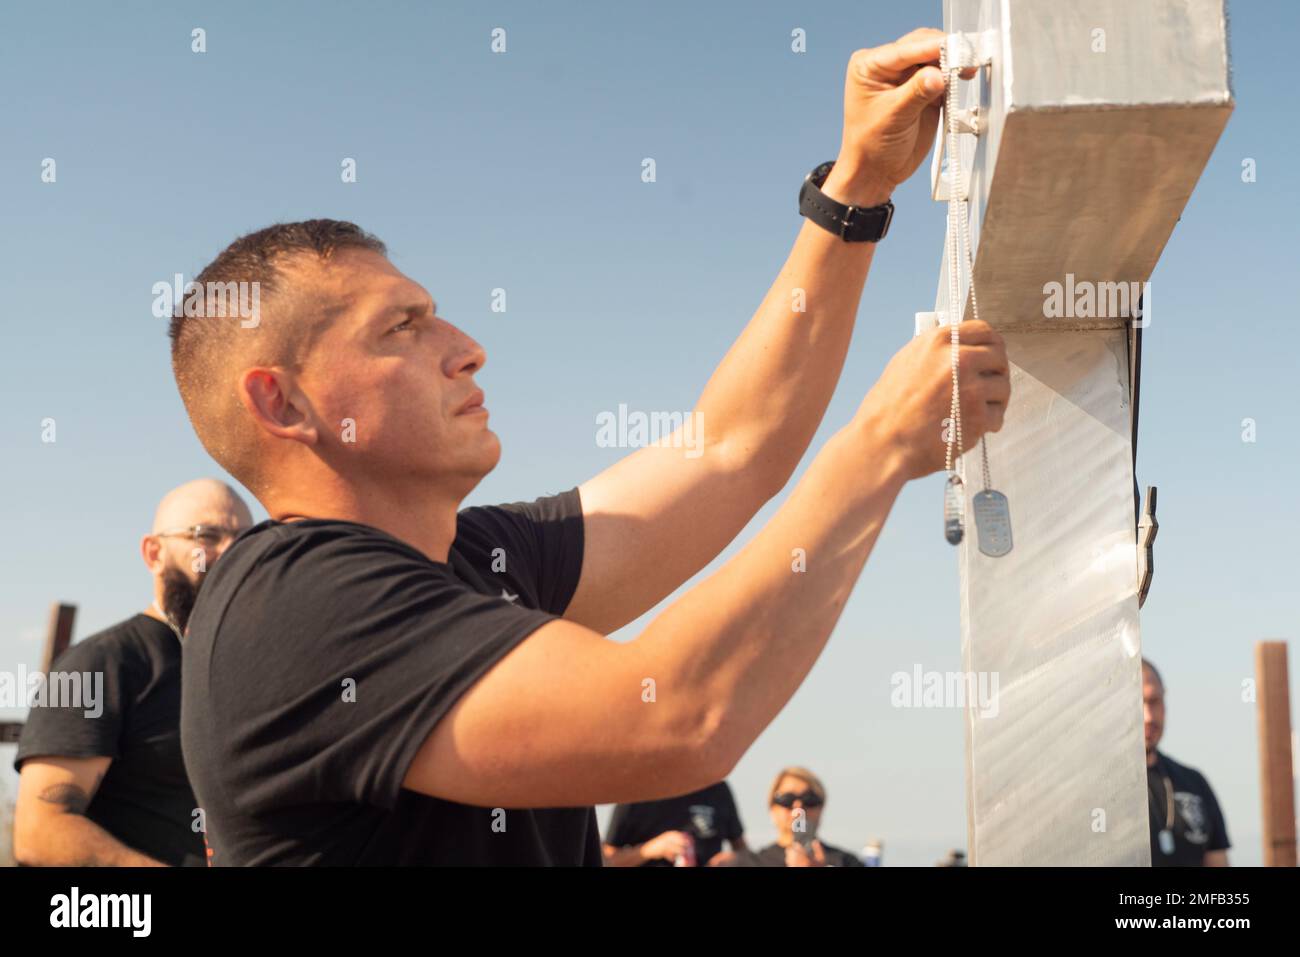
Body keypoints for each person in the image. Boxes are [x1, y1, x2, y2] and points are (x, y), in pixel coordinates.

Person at [170, 26, 1010, 865]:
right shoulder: (288, 604)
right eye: (403, 326)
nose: (465, 346)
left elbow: (732, 447)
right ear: (282, 402)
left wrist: (857, 186)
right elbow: (677, 715)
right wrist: (878, 449)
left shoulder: (475, 559)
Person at [12, 479, 252, 866]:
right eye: (205, 536)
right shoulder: (99, 663)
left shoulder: (246, 666)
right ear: (153, 553)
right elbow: (41, 834)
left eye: (244, 540)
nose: (228, 552)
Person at [1142, 659, 1230, 866]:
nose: (1148, 717)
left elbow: (1218, 861)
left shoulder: (1194, 783)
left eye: (1154, 701)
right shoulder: (1100, 790)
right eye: (1137, 702)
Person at [603, 781, 747, 866]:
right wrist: (649, 850)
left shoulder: (717, 789)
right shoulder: (637, 790)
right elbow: (607, 860)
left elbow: (742, 850)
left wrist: (735, 860)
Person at [752, 767, 862, 867]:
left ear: (821, 808)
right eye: (787, 799)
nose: (798, 806)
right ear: (772, 808)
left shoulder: (847, 862)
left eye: (809, 799)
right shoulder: (754, 863)